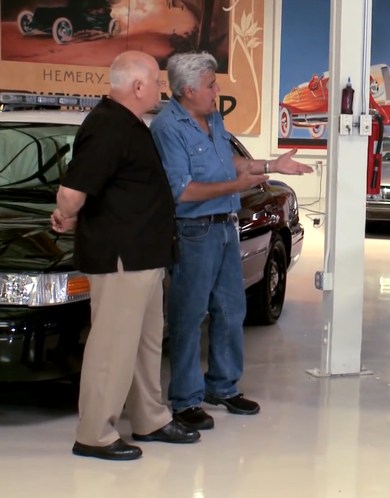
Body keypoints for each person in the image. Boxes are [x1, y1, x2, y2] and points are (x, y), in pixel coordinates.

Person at [150, 52, 313, 431]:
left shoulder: (213, 119)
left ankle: (222, 386)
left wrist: (270, 166)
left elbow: (231, 163)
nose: (217, 91)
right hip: (193, 230)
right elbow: (182, 191)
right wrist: (237, 186)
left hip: (226, 226)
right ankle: (186, 399)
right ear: (188, 89)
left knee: (231, 309)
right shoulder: (167, 128)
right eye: (211, 85)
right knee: (188, 317)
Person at [52, 50, 200, 461]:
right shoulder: (107, 127)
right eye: (156, 81)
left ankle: (149, 418)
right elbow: (73, 189)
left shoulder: (130, 125)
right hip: (121, 259)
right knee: (112, 347)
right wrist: (65, 214)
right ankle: (95, 434)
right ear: (137, 86)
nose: (160, 88)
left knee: (145, 344)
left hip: (143, 256)